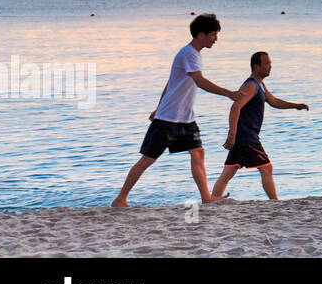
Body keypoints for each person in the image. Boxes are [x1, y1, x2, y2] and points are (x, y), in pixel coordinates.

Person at [112, 13, 247, 207]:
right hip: (169, 119)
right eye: (213, 35)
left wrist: (157, 107)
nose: (216, 39)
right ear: (201, 35)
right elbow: (200, 82)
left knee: (198, 153)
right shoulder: (189, 54)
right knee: (147, 159)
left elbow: (171, 83)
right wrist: (229, 93)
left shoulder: (193, 54)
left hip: (184, 118)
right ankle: (120, 199)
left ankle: (206, 197)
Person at [211, 51, 309, 200]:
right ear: (256, 66)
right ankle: (274, 201)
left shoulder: (260, 84)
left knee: (229, 171)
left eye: (270, 63)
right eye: (267, 64)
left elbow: (273, 101)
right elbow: (235, 107)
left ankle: (212, 200)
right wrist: (232, 134)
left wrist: (295, 106)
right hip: (247, 137)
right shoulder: (251, 85)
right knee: (266, 168)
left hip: (243, 136)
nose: (270, 67)